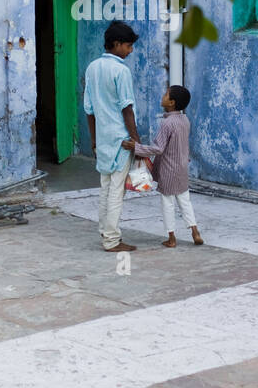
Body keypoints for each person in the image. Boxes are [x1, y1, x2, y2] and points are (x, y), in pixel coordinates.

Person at [84, 20, 140, 252]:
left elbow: (89, 109)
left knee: (106, 189)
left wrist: (94, 140)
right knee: (116, 192)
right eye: (128, 45)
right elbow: (127, 108)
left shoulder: (92, 67)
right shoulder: (121, 70)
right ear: (116, 44)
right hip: (121, 140)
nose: (130, 50)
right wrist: (136, 140)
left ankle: (105, 232)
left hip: (104, 140)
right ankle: (111, 240)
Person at [123, 84, 202, 248]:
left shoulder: (167, 123)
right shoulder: (184, 120)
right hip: (181, 168)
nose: (163, 96)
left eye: (166, 94)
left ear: (171, 102)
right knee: (185, 201)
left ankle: (171, 238)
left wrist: (136, 147)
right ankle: (195, 232)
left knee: (168, 203)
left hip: (168, 169)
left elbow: (158, 148)